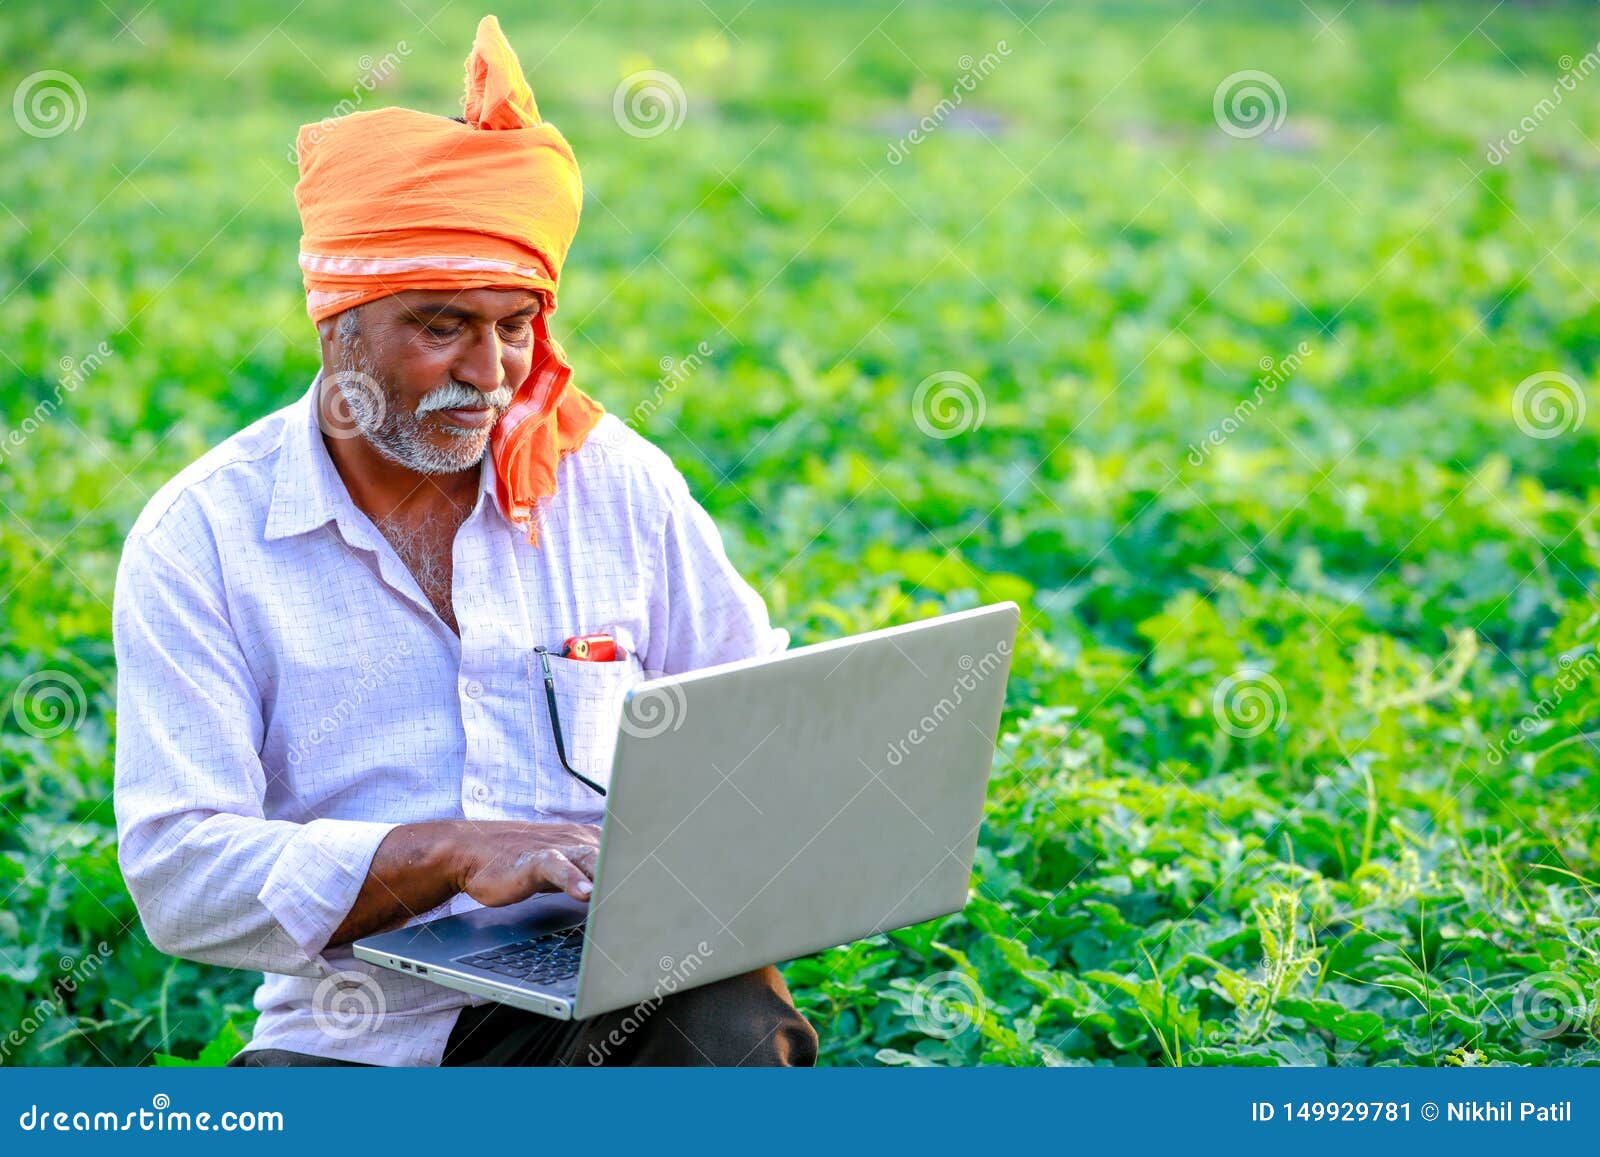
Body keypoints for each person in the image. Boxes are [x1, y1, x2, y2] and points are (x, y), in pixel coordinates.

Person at [111, 13, 817, 1068]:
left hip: (604, 990)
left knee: (722, 1024)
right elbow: (178, 873)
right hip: (352, 1031)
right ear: (336, 322)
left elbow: (758, 723)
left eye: (515, 323)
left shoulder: (612, 484)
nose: (490, 372)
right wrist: (445, 853)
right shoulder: (204, 538)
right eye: (442, 325)